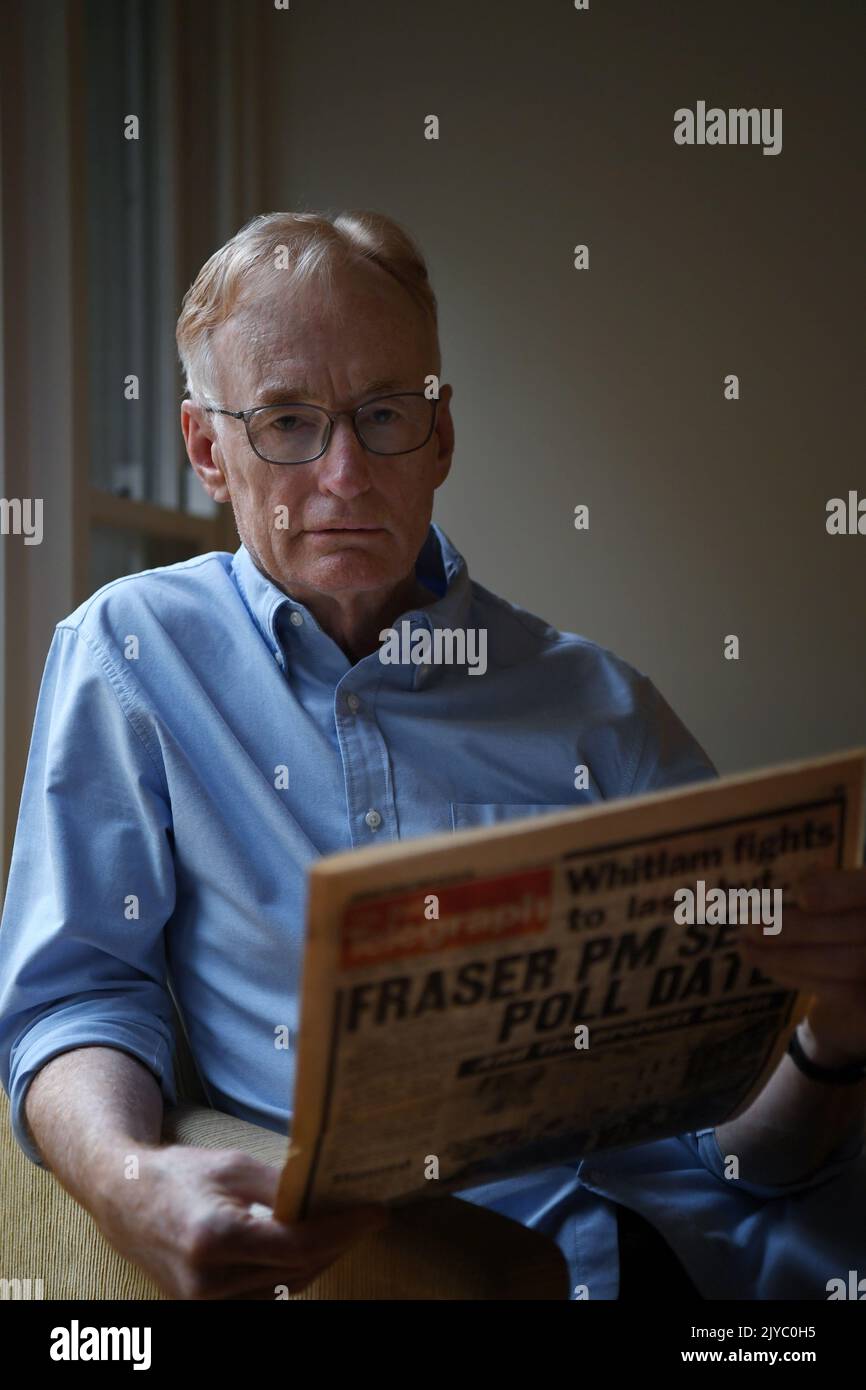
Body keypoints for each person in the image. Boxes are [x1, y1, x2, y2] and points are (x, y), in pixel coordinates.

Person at [1, 211, 864, 1301]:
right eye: (284, 422)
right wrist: (128, 1178)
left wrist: (837, 1035)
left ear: (440, 434)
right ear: (205, 449)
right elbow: (73, 998)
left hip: (728, 1273)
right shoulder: (129, 655)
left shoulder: (601, 706)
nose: (347, 473)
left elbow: (746, 1151)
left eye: (383, 413)